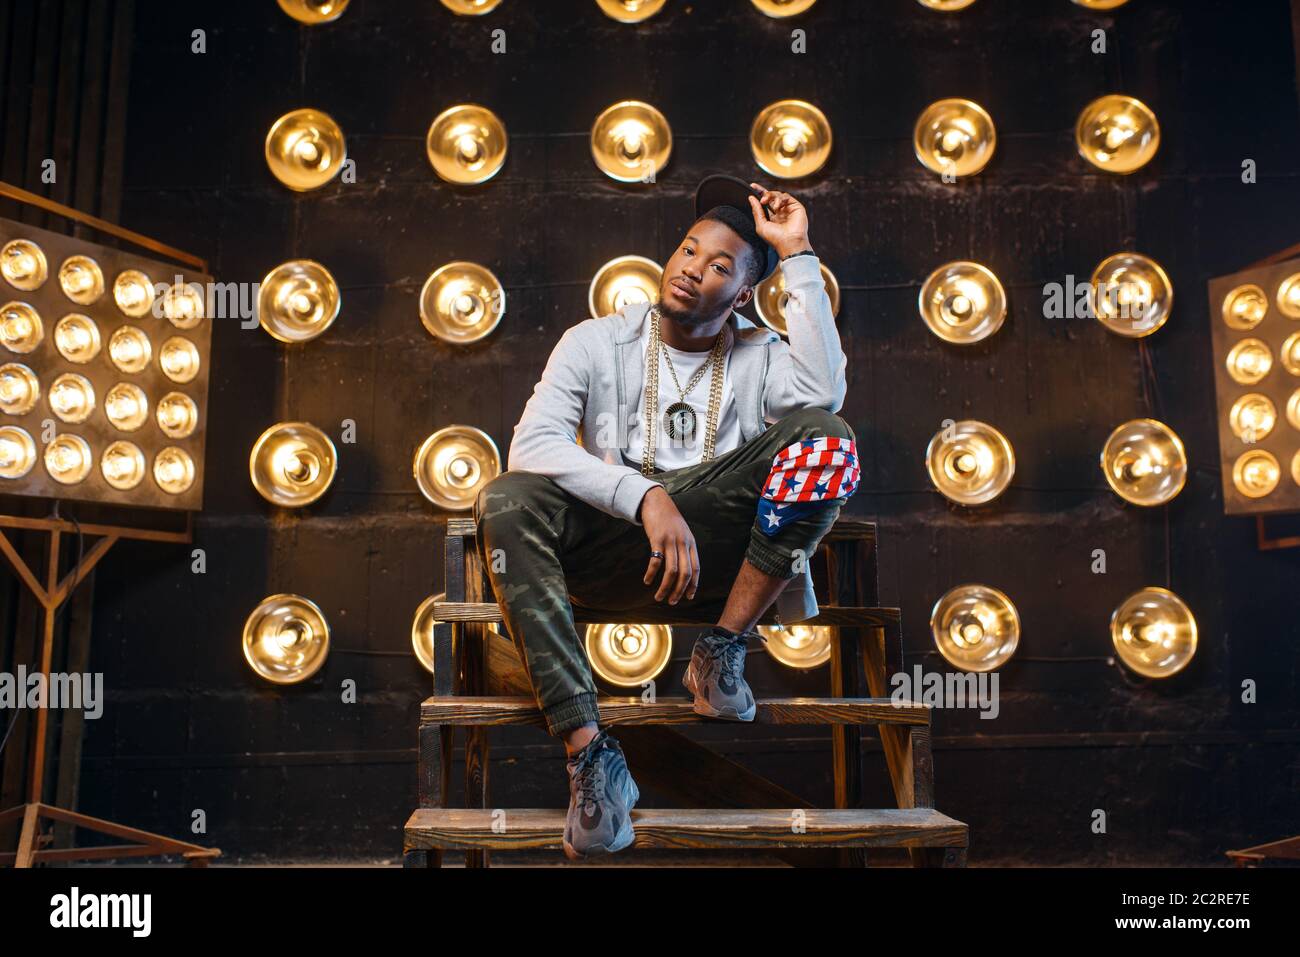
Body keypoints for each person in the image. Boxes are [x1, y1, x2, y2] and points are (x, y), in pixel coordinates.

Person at [472, 174, 858, 859]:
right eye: (687, 250)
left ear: (742, 293)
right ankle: (591, 757)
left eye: (718, 266)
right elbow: (532, 445)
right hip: (615, 554)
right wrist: (644, 496)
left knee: (827, 435)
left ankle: (721, 652)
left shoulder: (761, 354)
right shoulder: (595, 342)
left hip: (719, 564)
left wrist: (795, 254)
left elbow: (823, 394)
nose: (691, 270)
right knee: (505, 495)